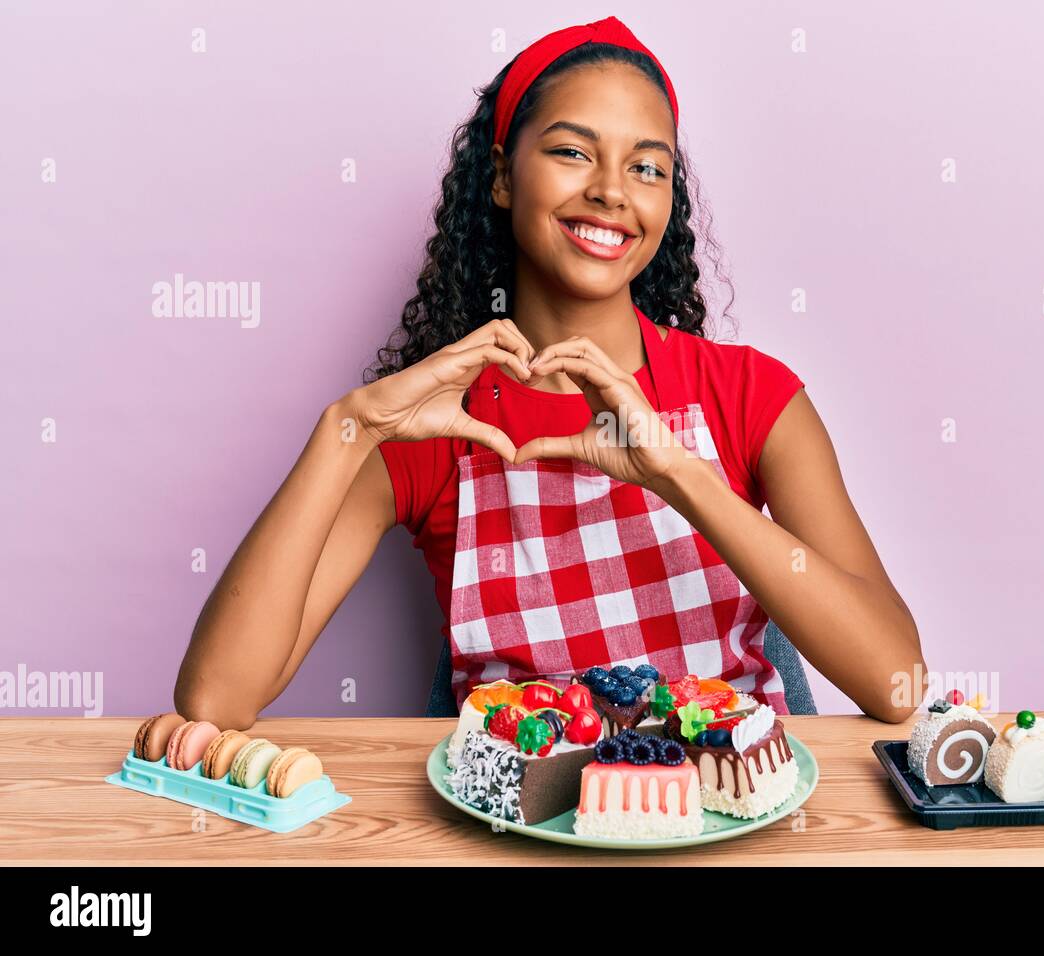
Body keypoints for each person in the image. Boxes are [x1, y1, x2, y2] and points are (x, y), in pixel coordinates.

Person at [175, 16, 924, 730]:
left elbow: (897, 681)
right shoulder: (432, 428)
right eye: (572, 152)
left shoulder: (752, 396)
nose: (611, 190)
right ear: (502, 176)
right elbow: (216, 697)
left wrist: (679, 475)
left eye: (647, 167)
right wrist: (348, 429)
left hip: (729, 826)